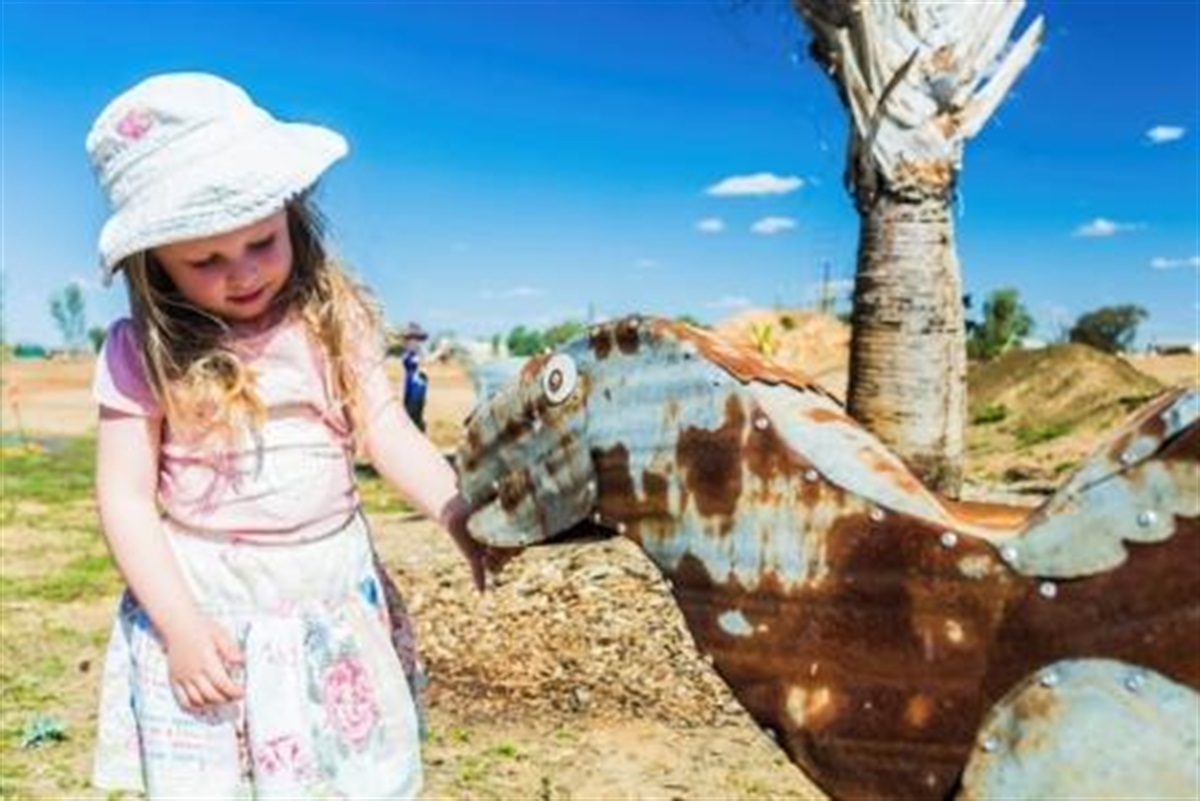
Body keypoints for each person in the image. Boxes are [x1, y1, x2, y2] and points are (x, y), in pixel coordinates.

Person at [85, 72, 495, 799]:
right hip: (211, 607)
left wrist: (458, 512)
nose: (241, 273)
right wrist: (178, 623)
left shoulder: (334, 322)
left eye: (261, 242)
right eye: (205, 260)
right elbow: (123, 498)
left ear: (292, 217)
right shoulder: (142, 350)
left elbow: (388, 432)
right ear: (155, 264)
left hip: (326, 594)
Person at [399, 322, 429, 432]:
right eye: (411, 338)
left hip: (417, 385)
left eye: (416, 338)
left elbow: (425, 362)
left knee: (415, 412)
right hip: (410, 383)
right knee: (409, 411)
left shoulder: (419, 353)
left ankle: (418, 433)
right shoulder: (407, 353)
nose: (413, 341)